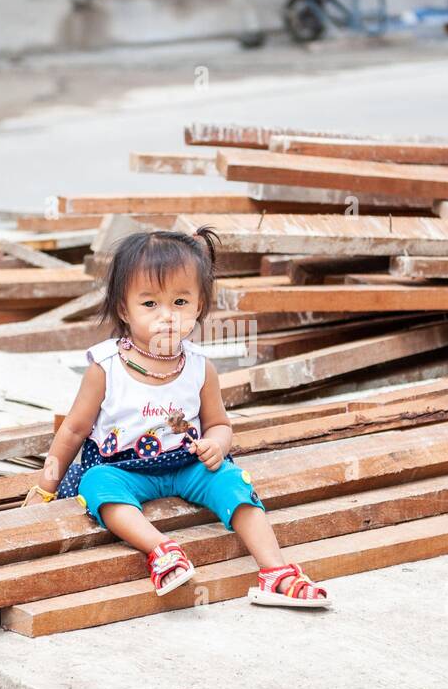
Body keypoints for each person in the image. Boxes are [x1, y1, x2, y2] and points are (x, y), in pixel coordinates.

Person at [22, 227, 330, 608]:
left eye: (180, 302)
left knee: (234, 482)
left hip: (186, 464)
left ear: (199, 307)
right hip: (125, 469)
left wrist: (217, 445)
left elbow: (219, 424)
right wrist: (44, 488)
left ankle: (275, 571)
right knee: (96, 484)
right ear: (124, 308)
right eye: (150, 304)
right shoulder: (106, 367)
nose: (167, 317)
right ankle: (162, 550)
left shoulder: (200, 368)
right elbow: (73, 430)